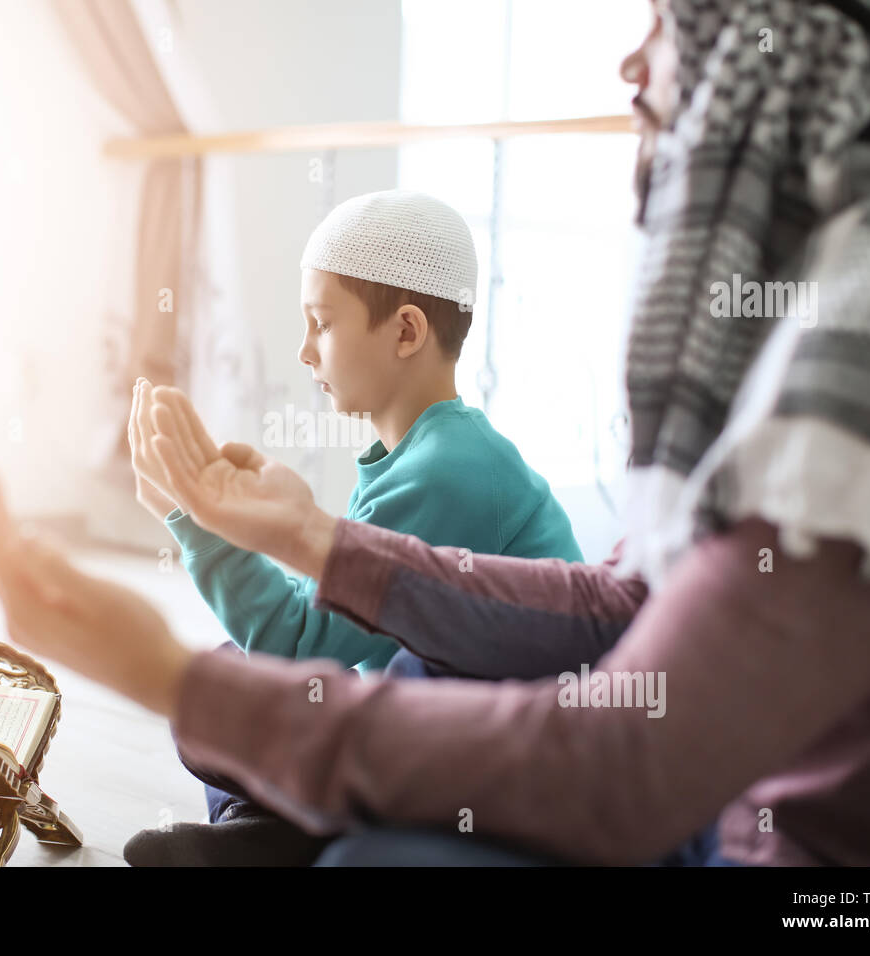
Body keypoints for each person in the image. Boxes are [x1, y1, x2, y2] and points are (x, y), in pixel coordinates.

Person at [0, 0, 870, 865]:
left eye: (664, 20)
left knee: (368, 796)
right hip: (693, 789)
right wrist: (299, 533)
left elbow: (624, 767)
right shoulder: (828, 295)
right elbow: (625, 602)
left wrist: (172, 672)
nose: (632, 65)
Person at [123, 190, 581, 864]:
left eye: (322, 323)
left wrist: (198, 525)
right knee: (223, 677)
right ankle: (272, 834)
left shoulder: (452, 471)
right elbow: (332, 630)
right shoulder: (428, 454)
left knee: (226, 697)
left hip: (492, 772)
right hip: (422, 731)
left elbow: (300, 648)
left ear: (404, 332)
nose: (305, 351)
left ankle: (279, 840)